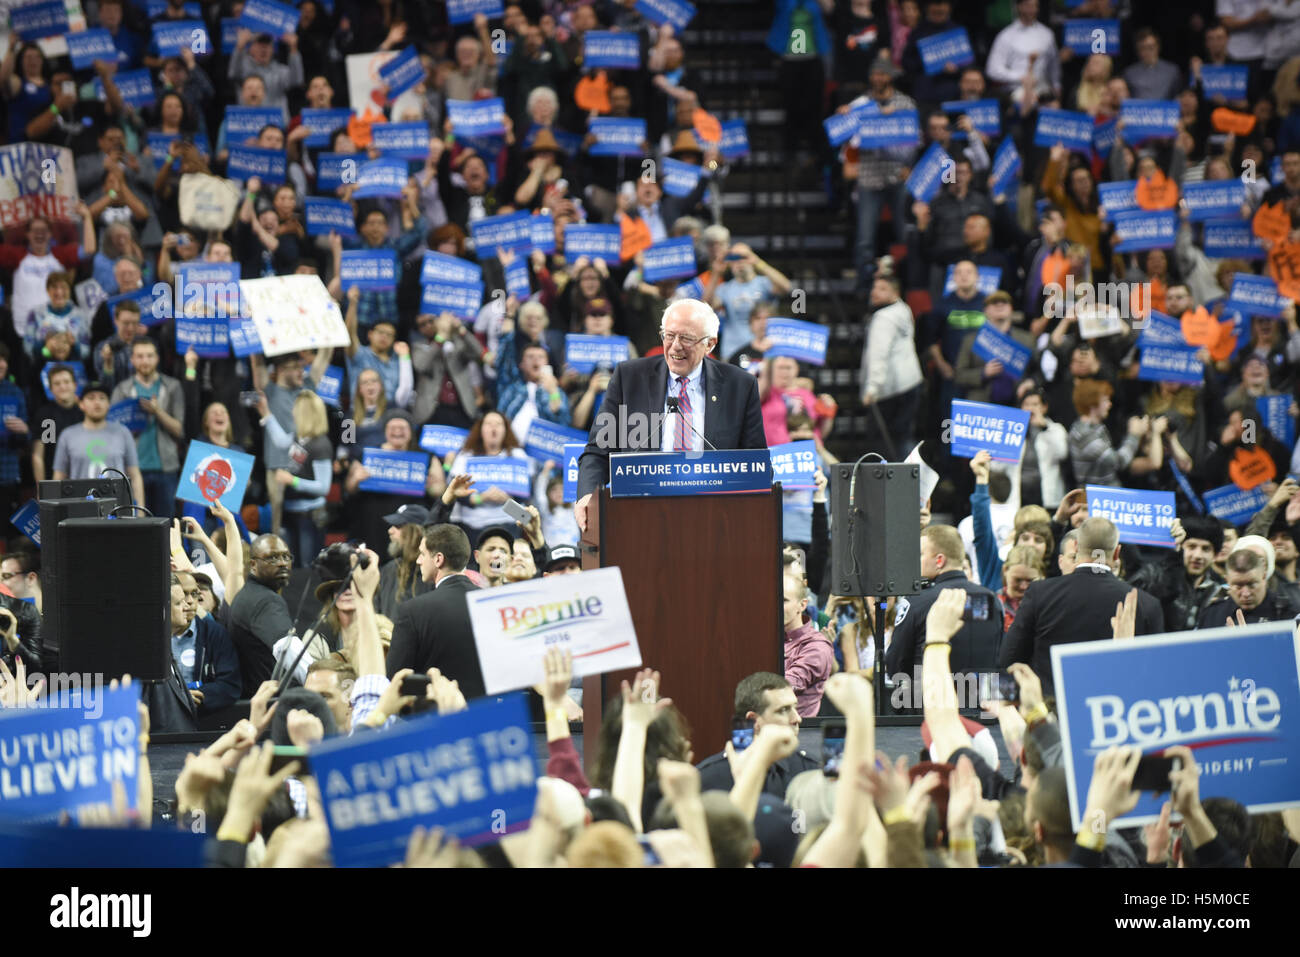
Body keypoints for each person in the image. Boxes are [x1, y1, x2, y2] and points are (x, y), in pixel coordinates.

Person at [574, 299, 767, 530]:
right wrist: (587, 495)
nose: (675, 346)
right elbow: (597, 452)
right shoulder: (629, 378)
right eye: (669, 335)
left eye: (686, 338)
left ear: (710, 344)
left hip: (713, 523)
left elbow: (755, 463)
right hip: (639, 519)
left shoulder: (740, 386)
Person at [1000, 518, 1162, 694]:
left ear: (1076, 547)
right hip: (1110, 712)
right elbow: (1154, 677)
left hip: (1050, 712)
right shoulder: (1147, 605)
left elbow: (1009, 658)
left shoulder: (1040, 593)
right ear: (1116, 553)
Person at [885, 524, 1003, 707]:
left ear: (939, 560)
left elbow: (895, 666)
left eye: (921, 554)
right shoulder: (991, 600)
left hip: (931, 712)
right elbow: (999, 658)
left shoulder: (918, 602)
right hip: (985, 712)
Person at [386, 524, 486, 699]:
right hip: (488, 717)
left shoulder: (412, 611)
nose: (418, 560)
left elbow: (395, 682)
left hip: (435, 719)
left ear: (438, 559)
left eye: (422, 554)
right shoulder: (491, 604)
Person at [695, 672, 820, 797]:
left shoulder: (810, 770)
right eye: (783, 710)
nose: (797, 719)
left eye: (795, 708)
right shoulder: (709, 778)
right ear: (753, 720)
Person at [109, 338, 185, 519]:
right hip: (132, 470)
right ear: (132, 360)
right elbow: (111, 433)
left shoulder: (172, 386)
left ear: (157, 359)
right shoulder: (122, 389)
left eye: (150, 356)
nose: (145, 361)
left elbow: (179, 430)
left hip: (166, 468)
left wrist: (157, 411)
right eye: (140, 356)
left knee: (166, 524)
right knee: (134, 526)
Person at [257, 391, 334, 568]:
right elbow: (281, 441)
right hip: (291, 511)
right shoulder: (299, 437)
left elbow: (324, 487)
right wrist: (266, 414)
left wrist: (293, 481)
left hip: (310, 515)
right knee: (291, 565)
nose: (292, 412)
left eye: (295, 408)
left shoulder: (321, 444)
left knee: (308, 567)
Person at [859, 272, 923, 457]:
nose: (874, 292)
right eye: (874, 287)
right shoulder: (903, 309)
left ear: (895, 292)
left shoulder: (883, 318)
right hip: (911, 381)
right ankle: (912, 478)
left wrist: (872, 388)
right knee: (905, 436)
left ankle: (894, 482)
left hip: (891, 389)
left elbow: (878, 354)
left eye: (882, 289)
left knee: (885, 442)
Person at [51, 380, 145, 506]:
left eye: (102, 398)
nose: (97, 402)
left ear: (108, 404)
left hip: (118, 510)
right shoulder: (67, 435)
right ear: (81, 404)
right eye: (91, 398)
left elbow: (135, 475)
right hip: (79, 510)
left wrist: (139, 511)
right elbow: (58, 478)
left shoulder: (123, 432)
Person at [1128, 516, 1226, 632]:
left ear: (1215, 555)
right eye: (1191, 546)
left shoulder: (1218, 591)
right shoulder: (1151, 576)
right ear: (1179, 546)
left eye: (1206, 549)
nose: (1197, 555)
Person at [229, 534, 296, 697]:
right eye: (272, 558)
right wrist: (316, 678)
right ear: (253, 565)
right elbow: (288, 649)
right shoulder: (265, 600)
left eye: (286, 557)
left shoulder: (248, 594)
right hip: (267, 704)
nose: (282, 563)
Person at [1197, 547, 1297, 627]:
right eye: (1238, 586)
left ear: (1264, 577)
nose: (1246, 593)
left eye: (1252, 584)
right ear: (1227, 581)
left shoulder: (1288, 612)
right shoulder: (1212, 614)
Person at [782, 570, 834, 717]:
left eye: (784, 600)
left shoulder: (817, 646)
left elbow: (785, 686)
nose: (776, 604)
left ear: (802, 605)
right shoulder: (765, 638)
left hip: (800, 733)